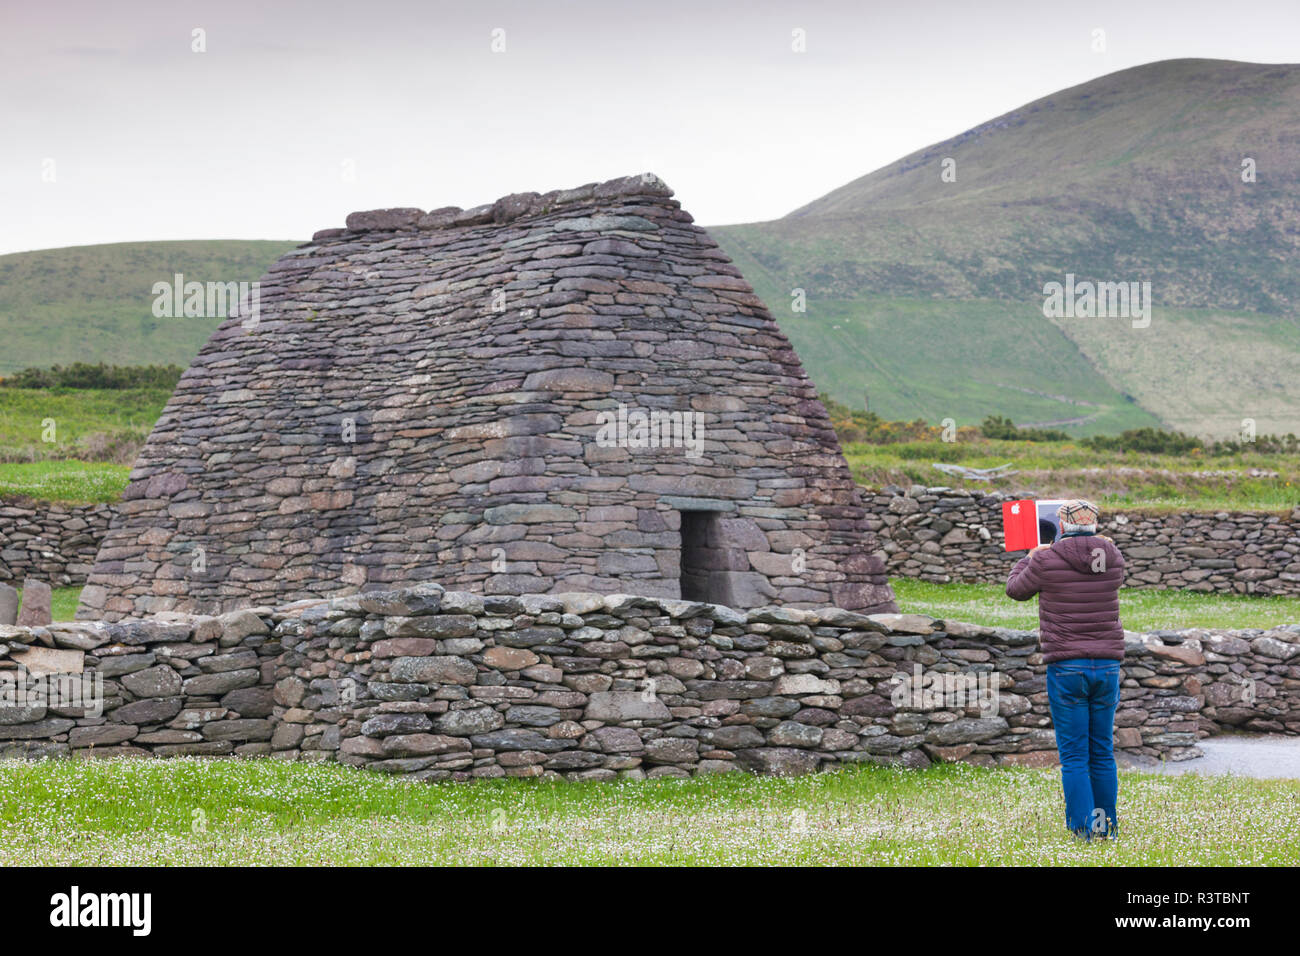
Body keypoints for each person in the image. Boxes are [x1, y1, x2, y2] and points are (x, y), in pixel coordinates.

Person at [1005, 499, 1125, 840]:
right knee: (1101, 751)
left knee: (1074, 756)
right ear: (1095, 522)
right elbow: (1103, 566)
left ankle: (1084, 830)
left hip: (1067, 664)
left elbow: (1015, 591)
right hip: (1107, 664)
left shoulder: (1045, 558)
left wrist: (1028, 556)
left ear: (1060, 523)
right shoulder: (1112, 556)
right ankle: (1106, 829)